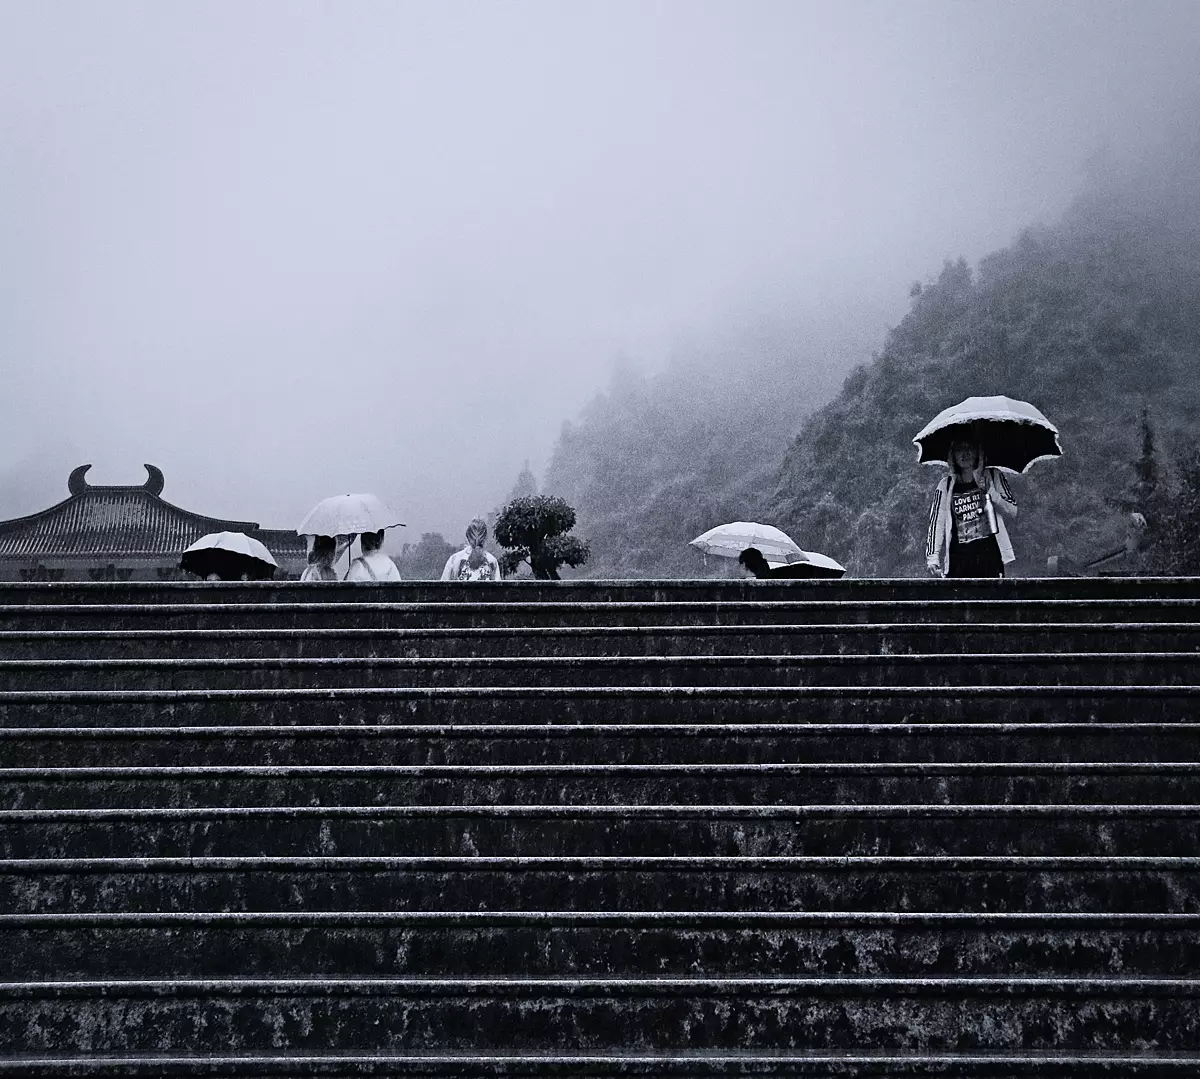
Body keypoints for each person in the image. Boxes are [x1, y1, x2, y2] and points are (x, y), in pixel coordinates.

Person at [925, 440, 1018, 578]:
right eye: (959, 449)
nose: (965, 453)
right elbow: (936, 523)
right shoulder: (946, 485)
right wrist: (932, 558)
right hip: (958, 562)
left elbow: (1012, 510)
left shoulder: (993, 475)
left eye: (970, 447)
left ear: (978, 452)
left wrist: (990, 492)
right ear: (953, 455)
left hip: (990, 559)